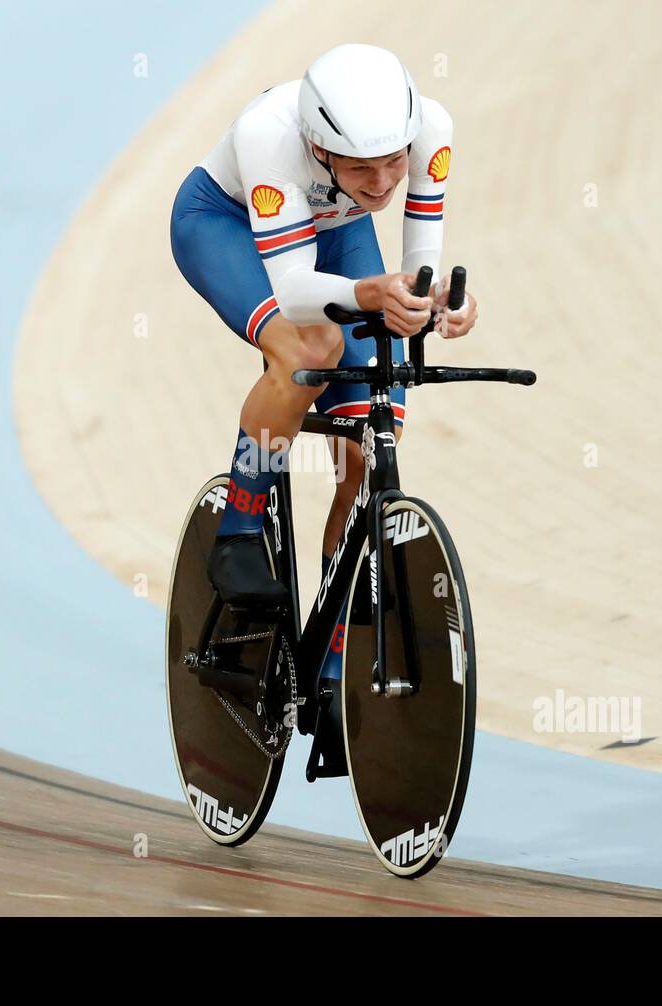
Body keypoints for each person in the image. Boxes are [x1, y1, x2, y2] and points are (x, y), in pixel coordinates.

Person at [170, 42, 478, 681]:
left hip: (334, 230)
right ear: (319, 147)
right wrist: (371, 293)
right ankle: (240, 526)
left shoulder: (431, 130)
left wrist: (440, 302)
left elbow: (417, 271)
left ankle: (332, 668)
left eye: (394, 162)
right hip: (223, 225)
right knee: (311, 348)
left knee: (373, 420)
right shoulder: (269, 135)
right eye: (363, 168)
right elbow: (294, 291)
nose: (385, 182)